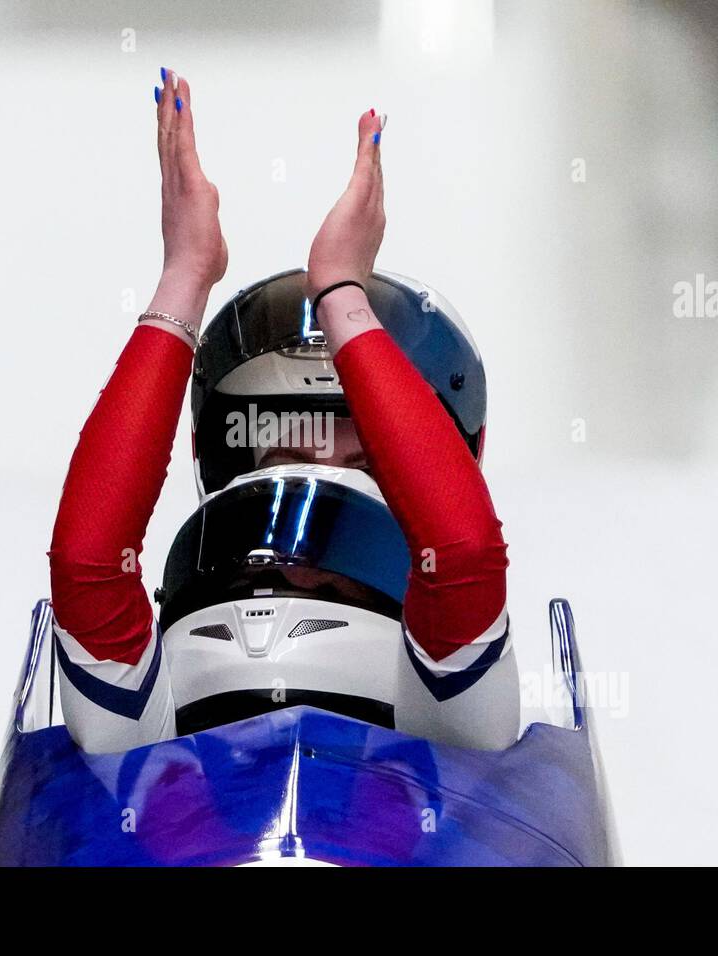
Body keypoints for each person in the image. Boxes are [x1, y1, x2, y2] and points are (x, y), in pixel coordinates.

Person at [47, 68, 516, 754]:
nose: (323, 494)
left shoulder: (450, 701)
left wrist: (341, 291)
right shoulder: (150, 701)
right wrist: (186, 274)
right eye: (293, 454)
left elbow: (464, 554)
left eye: (366, 464)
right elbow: (88, 562)